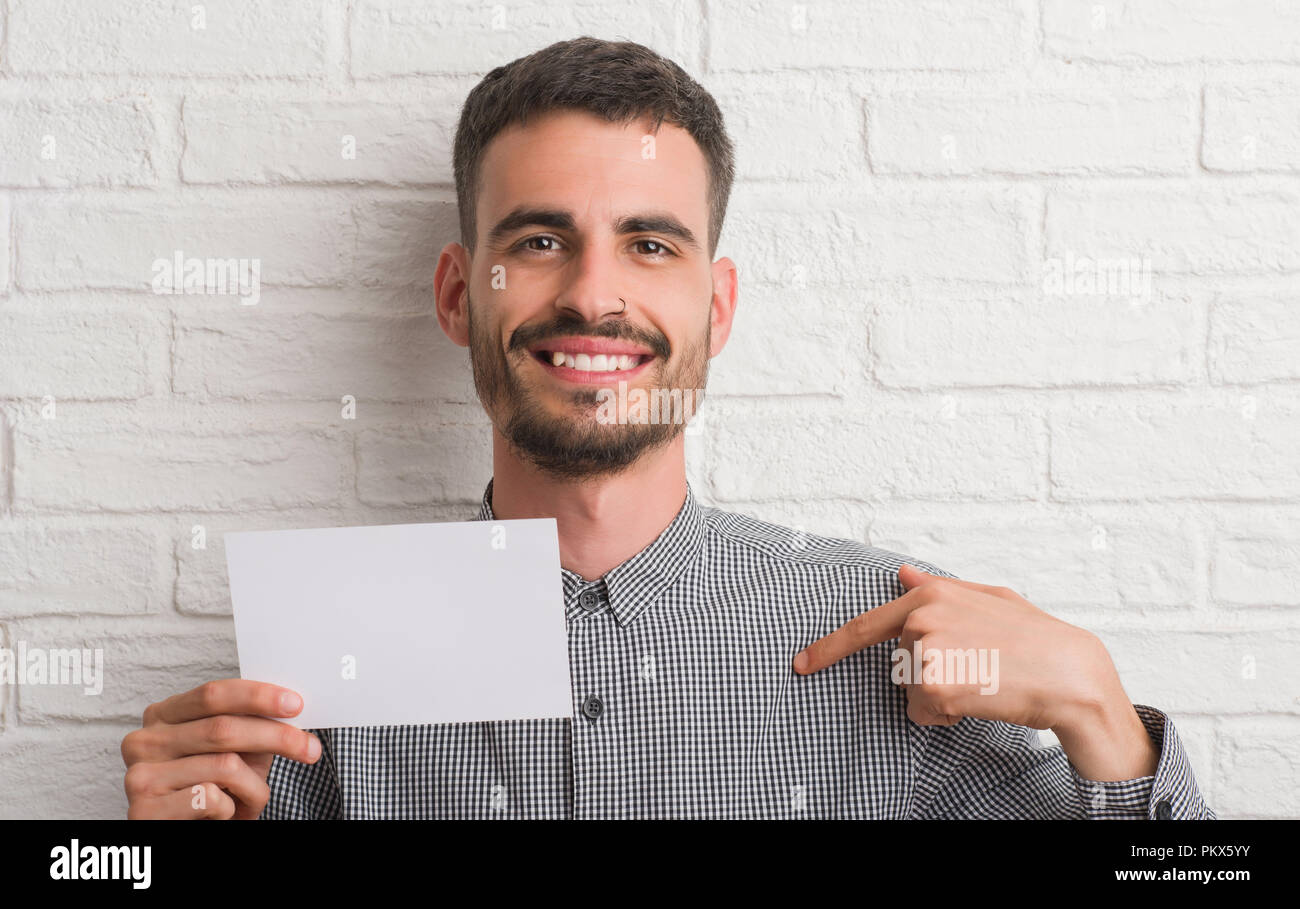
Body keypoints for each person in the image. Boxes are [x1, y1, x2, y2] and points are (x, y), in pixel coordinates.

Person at [121, 36, 1213, 820]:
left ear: (717, 306)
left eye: (649, 245)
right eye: (541, 240)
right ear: (460, 295)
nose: (594, 295)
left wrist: (1100, 713)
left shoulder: (890, 634)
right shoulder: (320, 673)